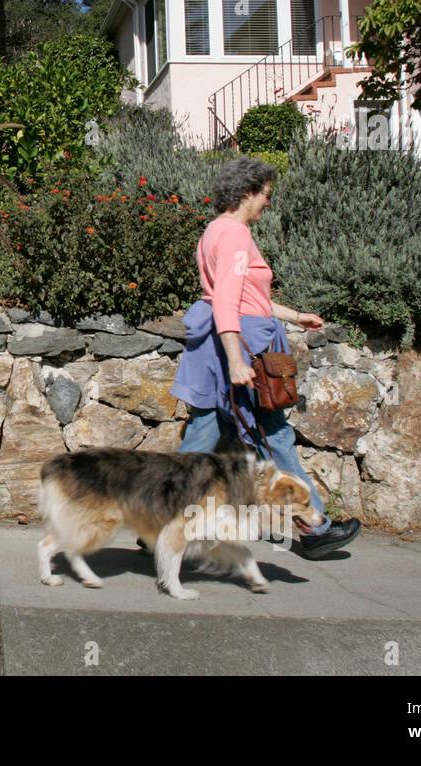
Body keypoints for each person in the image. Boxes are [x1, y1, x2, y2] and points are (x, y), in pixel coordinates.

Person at [169, 156, 361, 560]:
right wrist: (237, 360)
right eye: (265, 195)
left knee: (203, 433)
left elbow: (241, 295)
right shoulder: (236, 235)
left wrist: (294, 315)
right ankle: (314, 526)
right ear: (246, 193)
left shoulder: (213, 231)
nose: (267, 204)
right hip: (245, 349)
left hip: (219, 346)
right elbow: (227, 301)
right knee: (274, 435)